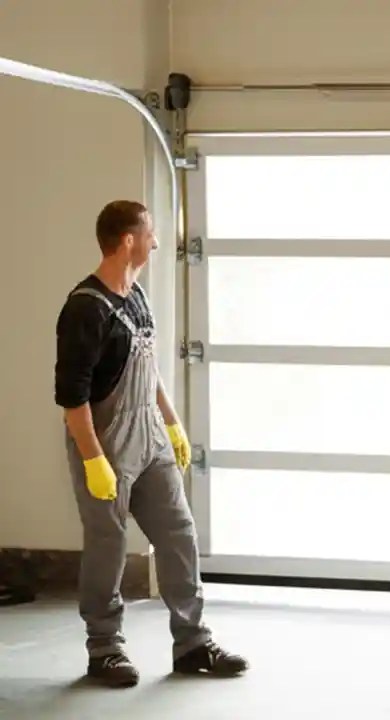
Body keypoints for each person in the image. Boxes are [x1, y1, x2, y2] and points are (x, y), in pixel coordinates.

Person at [54, 200, 248, 687]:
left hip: (151, 437)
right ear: (128, 241)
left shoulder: (136, 296)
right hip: (105, 442)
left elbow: (148, 366)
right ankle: (104, 649)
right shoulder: (85, 309)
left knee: (179, 532)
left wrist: (172, 423)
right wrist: (94, 460)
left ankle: (193, 643)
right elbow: (72, 398)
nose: (155, 242)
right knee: (109, 544)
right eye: (149, 234)